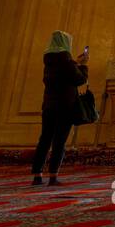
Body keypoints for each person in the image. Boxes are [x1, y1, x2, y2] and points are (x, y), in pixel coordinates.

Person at [31, 30, 88, 186]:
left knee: (45, 139)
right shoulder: (66, 61)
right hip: (65, 106)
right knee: (59, 141)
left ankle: (37, 175)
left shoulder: (48, 61)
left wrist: (75, 63)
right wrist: (83, 65)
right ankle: (53, 176)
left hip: (49, 105)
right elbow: (79, 80)